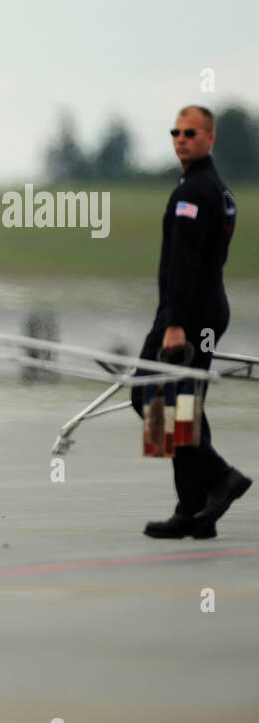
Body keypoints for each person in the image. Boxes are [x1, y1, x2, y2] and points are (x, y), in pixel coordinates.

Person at [134, 105, 250, 538]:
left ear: (209, 138)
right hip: (208, 310)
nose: (181, 139)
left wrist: (174, 323)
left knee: (147, 398)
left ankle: (219, 477)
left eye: (190, 132)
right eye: (175, 132)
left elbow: (183, 264)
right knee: (182, 405)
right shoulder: (219, 190)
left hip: (186, 314)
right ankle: (195, 507)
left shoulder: (190, 193)